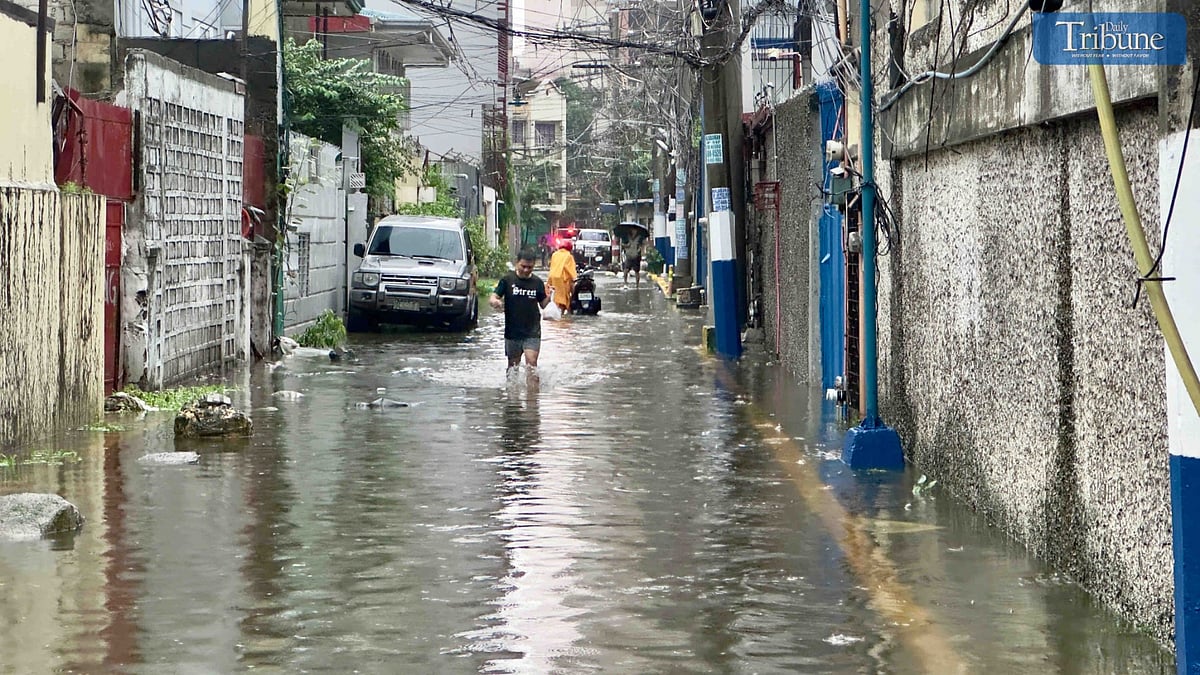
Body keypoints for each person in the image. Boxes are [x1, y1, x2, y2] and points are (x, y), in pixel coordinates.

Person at [490, 248, 551, 371]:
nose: (526, 270)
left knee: (532, 363)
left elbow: (543, 304)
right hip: (512, 331)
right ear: (517, 263)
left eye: (530, 267)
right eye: (523, 266)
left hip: (532, 331)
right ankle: (512, 390)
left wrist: (549, 297)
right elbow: (493, 297)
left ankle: (533, 391)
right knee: (513, 366)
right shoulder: (507, 280)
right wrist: (495, 302)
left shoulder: (537, 282)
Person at [547, 240, 577, 313]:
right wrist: (574, 278)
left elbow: (551, 266)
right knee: (563, 298)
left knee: (556, 297)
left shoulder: (554, 254)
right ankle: (562, 315)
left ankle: (559, 313)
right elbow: (570, 269)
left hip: (553, 278)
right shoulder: (568, 256)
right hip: (563, 278)